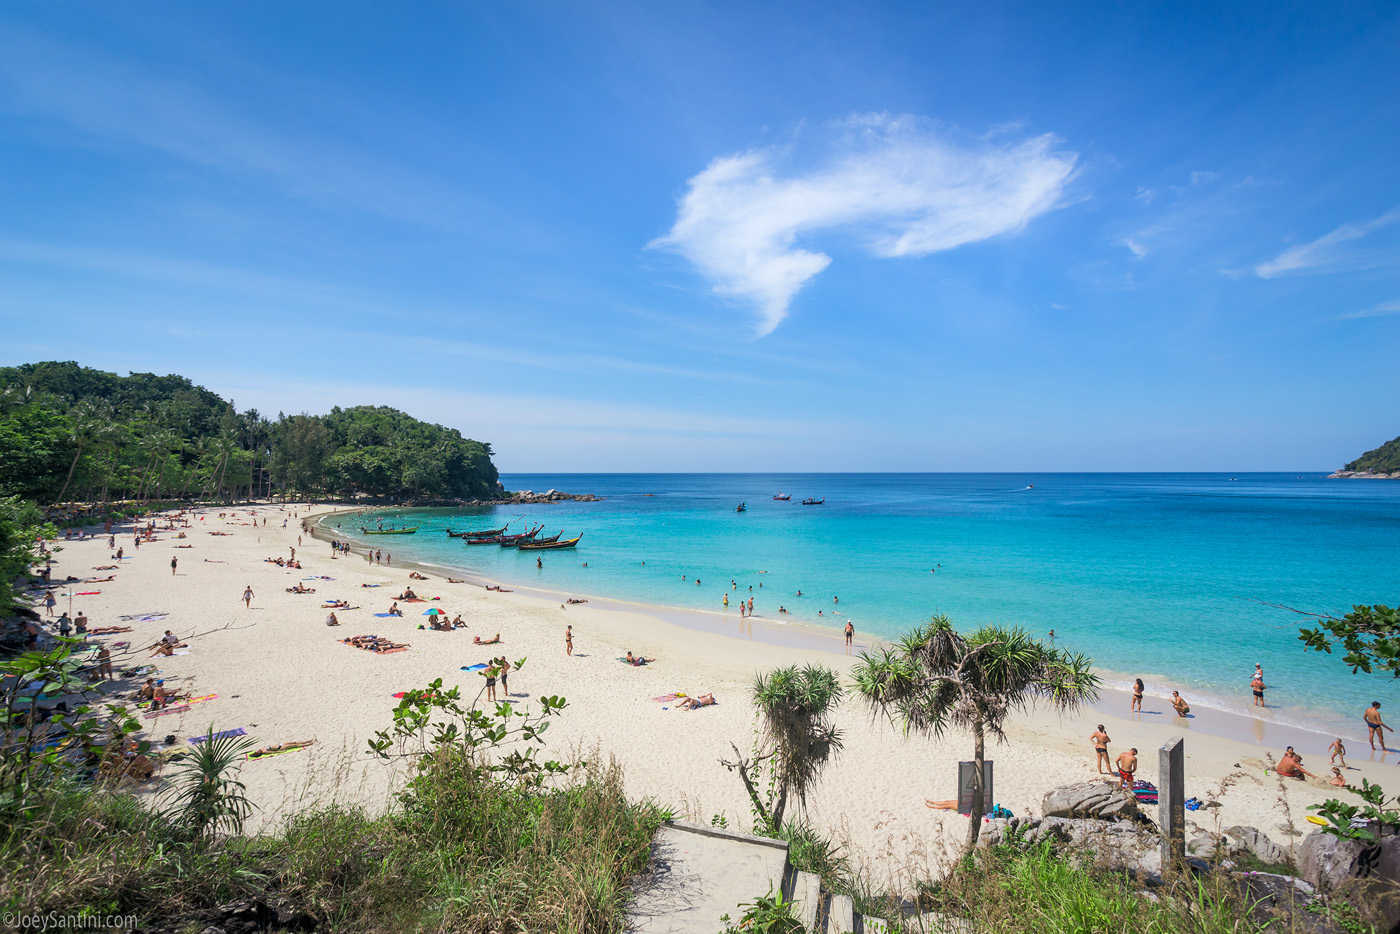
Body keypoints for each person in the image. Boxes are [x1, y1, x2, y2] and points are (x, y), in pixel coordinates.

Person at [248, 740, 316, 759]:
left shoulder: (261, 749)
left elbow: (252, 751)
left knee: (295, 742)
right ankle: (309, 744)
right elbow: (272, 752)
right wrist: (281, 751)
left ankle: (309, 741)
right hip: (280, 747)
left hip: (280, 744)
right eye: (257, 751)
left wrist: (251, 752)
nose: (257, 749)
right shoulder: (264, 751)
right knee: (296, 745)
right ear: (259, 753)